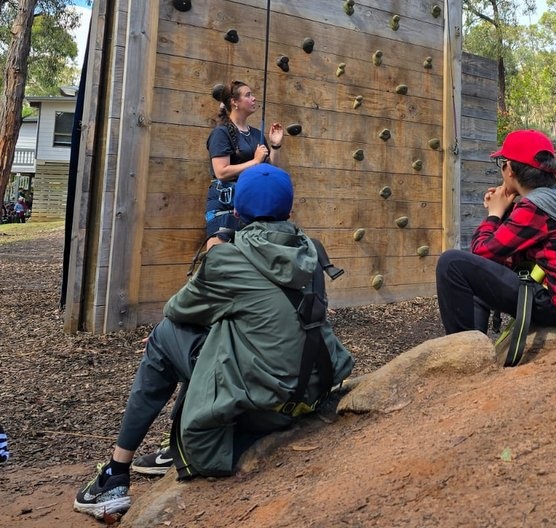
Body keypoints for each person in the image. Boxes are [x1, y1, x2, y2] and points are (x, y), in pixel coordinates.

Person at [74, 164, 354, 520]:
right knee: (219, 333)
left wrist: (215, 256)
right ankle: (168, 449)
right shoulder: (310, 251)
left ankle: (115, 475)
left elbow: (177, 309)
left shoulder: (229, 257)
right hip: (307, 395)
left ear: (236, 211)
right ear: (289, 210)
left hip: (261, 408)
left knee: (164, 336)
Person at [436, 129, 556, 344]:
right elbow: (503, 252)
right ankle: (474, 345)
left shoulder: (535, 208)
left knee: (451, 263)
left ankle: (463, 350)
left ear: (510, 169)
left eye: (502, 163)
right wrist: (506, 210)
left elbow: (482, 252)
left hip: (551, 304)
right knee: (476, 275)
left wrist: (494, 214)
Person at [205, 80, 284, 239]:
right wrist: (255, 162)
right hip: (225, 209)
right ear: (234, 102)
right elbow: (221, 172)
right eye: (248, 95)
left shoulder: (256, 135)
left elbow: (270, 170)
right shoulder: (221, 133)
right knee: (222, 254)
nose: (253, 98)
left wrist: (275, 146)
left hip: (252, 207)